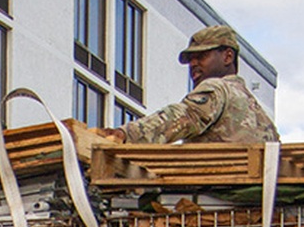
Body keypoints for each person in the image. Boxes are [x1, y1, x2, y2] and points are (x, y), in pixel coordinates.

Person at [108, 24, 280, 145]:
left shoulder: (217, 88)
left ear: (228, 57)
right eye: (191, 59)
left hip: (213, 184)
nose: (193, 64)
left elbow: (184, 116)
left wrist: (125, 134)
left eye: (202, 56)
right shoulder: (263, 118)